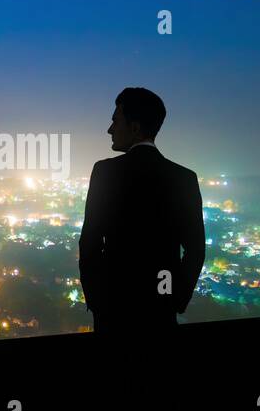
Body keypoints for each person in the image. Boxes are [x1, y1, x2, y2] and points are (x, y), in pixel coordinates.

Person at [79, 87, 206, 341]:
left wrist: (97, 301)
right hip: (161, 307)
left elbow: (90, 243)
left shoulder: (105, 173)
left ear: (135, 128)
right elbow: (195, 249)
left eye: (115, 120)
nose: (110, 129)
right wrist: (175, 300)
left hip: (114, 308)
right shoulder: (184, 178)